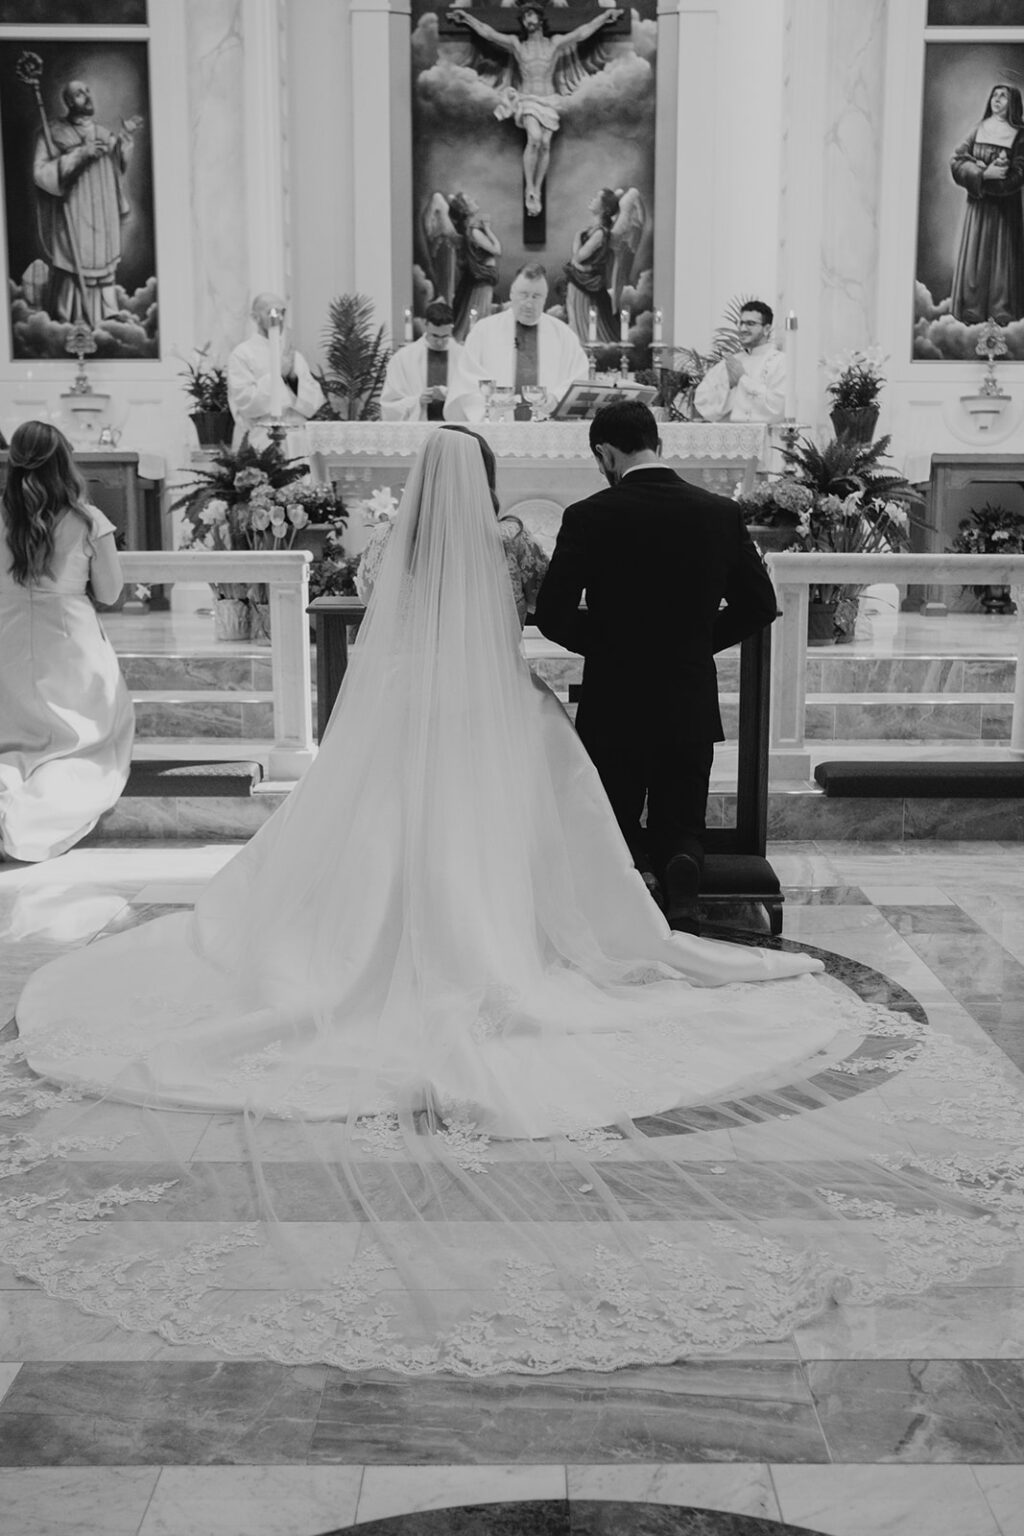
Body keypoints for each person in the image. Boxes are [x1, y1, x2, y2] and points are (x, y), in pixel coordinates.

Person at [10, 428, 1022, 1377]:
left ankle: (387, 940)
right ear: (483, 487)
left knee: (373, 861)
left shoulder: (395, 559)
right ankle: (562, 920)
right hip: (487, 729)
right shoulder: (497, 555)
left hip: (401, 745)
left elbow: (384, 660)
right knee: (531, 825)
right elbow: (505, 648)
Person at [533, 399, 776, 933]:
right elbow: (760, 605)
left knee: (616, 811)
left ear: (606, 453)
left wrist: (611, 646)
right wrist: (690, 644)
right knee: (681, 813)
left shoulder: (588, 516)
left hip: (614, 697)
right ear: (656, 443)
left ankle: (636, 879)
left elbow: (551, 615)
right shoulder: (719, 512)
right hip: (687, 693)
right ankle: (681, 873)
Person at [0, 420, 133, 862]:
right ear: (64, 462)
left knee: (16, 745)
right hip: (70, 646)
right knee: (83, 743)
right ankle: (25, 816)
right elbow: (112, 593)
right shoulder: (87, 520)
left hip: (10, 640)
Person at [357, 423, 548, 621]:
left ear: (423, 476)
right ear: (483, 480)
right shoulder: (511, 538)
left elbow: (368, 597)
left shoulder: (385, 538)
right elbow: (543, 599)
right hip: (487, 653)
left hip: (406, 652)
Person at [451, 0, 622, 216]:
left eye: (529, 15)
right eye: (523, 17)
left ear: (540, 18)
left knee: (545, 145)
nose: (526, 20)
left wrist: (605, 18)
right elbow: (488, 33)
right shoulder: (517, 44)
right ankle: (529, 188)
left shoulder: (555, 43)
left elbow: (582, 32)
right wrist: (466, 17)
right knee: (534, 138)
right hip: (528, 99)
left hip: (549, 100)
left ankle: (536, 189)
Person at [31, 78, 143, 325]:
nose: (87, 96)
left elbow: (118, 164)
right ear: (69, 102)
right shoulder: (53, 134)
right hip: (75, 212)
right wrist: (81, 154)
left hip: (102, 212)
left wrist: (125, 138)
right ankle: (72, 319)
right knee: (75, 264)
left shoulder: (103, 133)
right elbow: (41, 174)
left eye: (87, 90)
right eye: (79, 94)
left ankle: (108, 316)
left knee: (104, 265)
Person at [462, 262, 588, 416]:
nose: (529, 303)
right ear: (511, 294)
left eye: (536, 296)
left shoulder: (563, 334)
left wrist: (556, 398)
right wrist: (491, 404)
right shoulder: (483, 331)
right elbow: (467, 375)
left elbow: (579, 375)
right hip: (498, 425)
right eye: (523, 294)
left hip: (546, 427)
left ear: (545, 298)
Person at [950, 83, 1024, 326]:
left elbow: (1019, 173)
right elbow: (957, 161)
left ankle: (1001, 311)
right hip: (978, 208)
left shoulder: (1020, 134)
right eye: (995, 94)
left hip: (1004, 210)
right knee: (975, 256)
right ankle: (971, 309)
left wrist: (991, 180)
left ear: (1013, 103)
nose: (997, 99)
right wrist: (982, 175)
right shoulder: (978, 129)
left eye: (1004, 96)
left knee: (1003, 258)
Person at [227, 292, 324, 449]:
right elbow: (246, 403)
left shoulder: (293, 356)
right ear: (255, 317)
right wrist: (277, 376)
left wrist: (293, 380)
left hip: (297, 439)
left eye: (282, 312)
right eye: (271, 312)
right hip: (262, 438)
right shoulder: (242, 354)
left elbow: (314, 403)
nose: (278, 318)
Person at [379, 299, 485, 423]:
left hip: (455, 429)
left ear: (451, 328)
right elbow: (389, 405)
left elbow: (477, 398)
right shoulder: (403, 358)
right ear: (426, 324)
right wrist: (418, 401)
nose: (440, 342)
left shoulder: (464, 357)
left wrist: (450, 395)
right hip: (418, 429)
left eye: (445, 336)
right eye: (435, 336)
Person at [693, 301, 786, 424]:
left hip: (766, 439)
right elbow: (702, 401)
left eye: (750, 324)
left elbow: (778, 407)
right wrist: (729, 387)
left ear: (766, 329)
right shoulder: (729, 363)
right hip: (728, 438)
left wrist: (742, 380)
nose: (742, 329)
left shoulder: (780, 362)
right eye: (741, 323)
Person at [564, 187, 619, 344]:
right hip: (580, 279)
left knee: (584, 318)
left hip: (586, 284)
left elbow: (579, 257)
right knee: (575, 316)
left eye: (597, 198)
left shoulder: (600, 233)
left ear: (605, 209)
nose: (592, 199)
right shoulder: (593, 230)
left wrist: (576, 238)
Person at [448, 192, 501, 342]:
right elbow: (497, 250)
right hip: (482, 280)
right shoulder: (475, 232)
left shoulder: (470, 231)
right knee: (480, 315)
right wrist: (488, 229)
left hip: (483, 279)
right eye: (469, 199)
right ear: (465, 209)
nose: (474, 199)